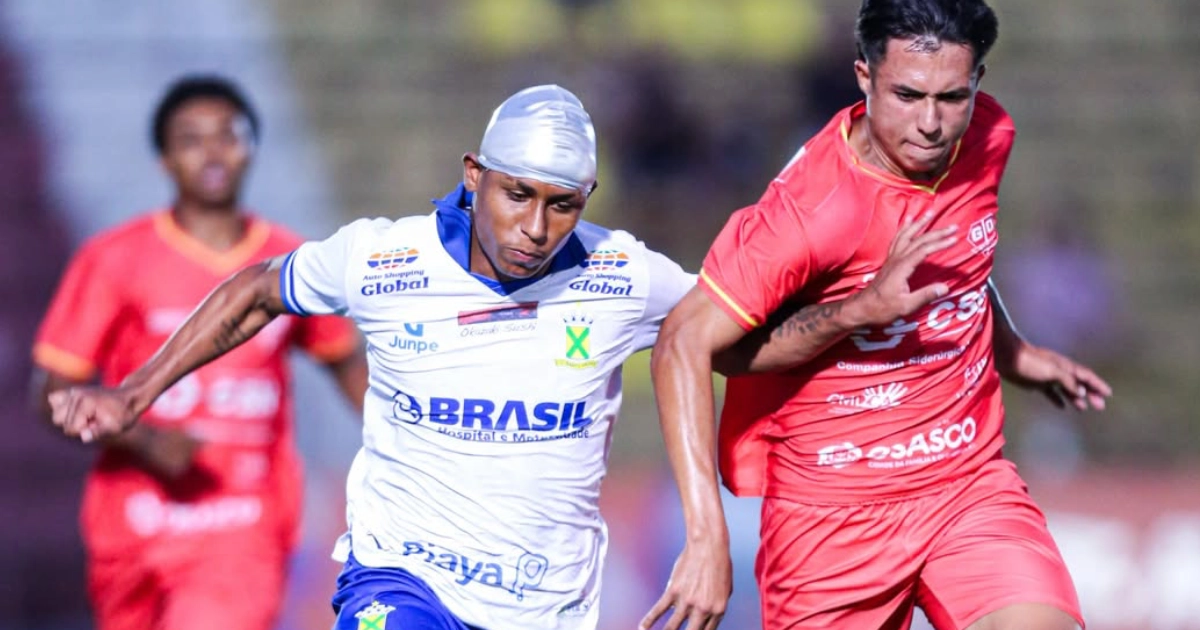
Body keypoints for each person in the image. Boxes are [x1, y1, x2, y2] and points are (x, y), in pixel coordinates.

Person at [647, 1, 1114, 629]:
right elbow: (685, 342)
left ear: (979, 80)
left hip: (966, 482)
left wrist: (1012, 351)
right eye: (907, 94)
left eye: (951, 96)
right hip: (831, 516)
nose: (929, 123)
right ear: (864, 77)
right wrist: (705, 538)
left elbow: (967, 257)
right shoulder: (812, 209)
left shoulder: (988, 137)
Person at [30, 75, 368, 630]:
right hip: (132, 525)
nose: (212, 152)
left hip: (244, 523)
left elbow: (350, 366)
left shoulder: (289, 260)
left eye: (228, 136)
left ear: (251, 149)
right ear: (165, 160)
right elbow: (51, 392)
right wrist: (144, 438)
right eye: (191, 139)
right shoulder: (115, 259)